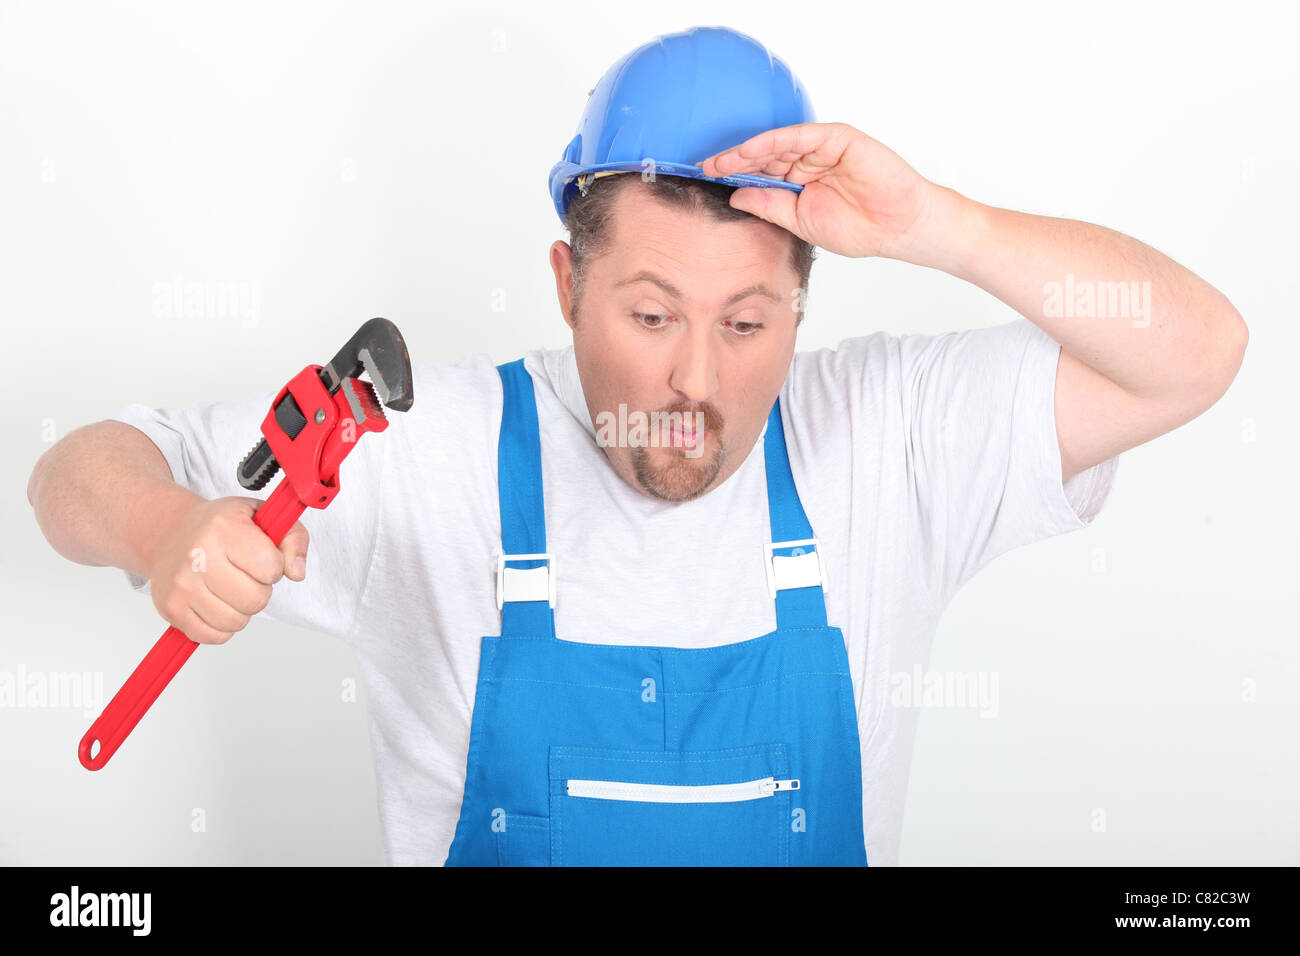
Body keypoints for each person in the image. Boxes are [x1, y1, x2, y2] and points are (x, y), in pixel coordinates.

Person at [27, 26, 1247, 866]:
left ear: (803, 310)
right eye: (652, 314)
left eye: (749, 322)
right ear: (567, 283)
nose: (695, 380)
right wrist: (164, 525)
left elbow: (1195, 348)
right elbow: (77, 466)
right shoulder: (428, 446)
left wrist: (944, 224)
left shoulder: (889, 440)